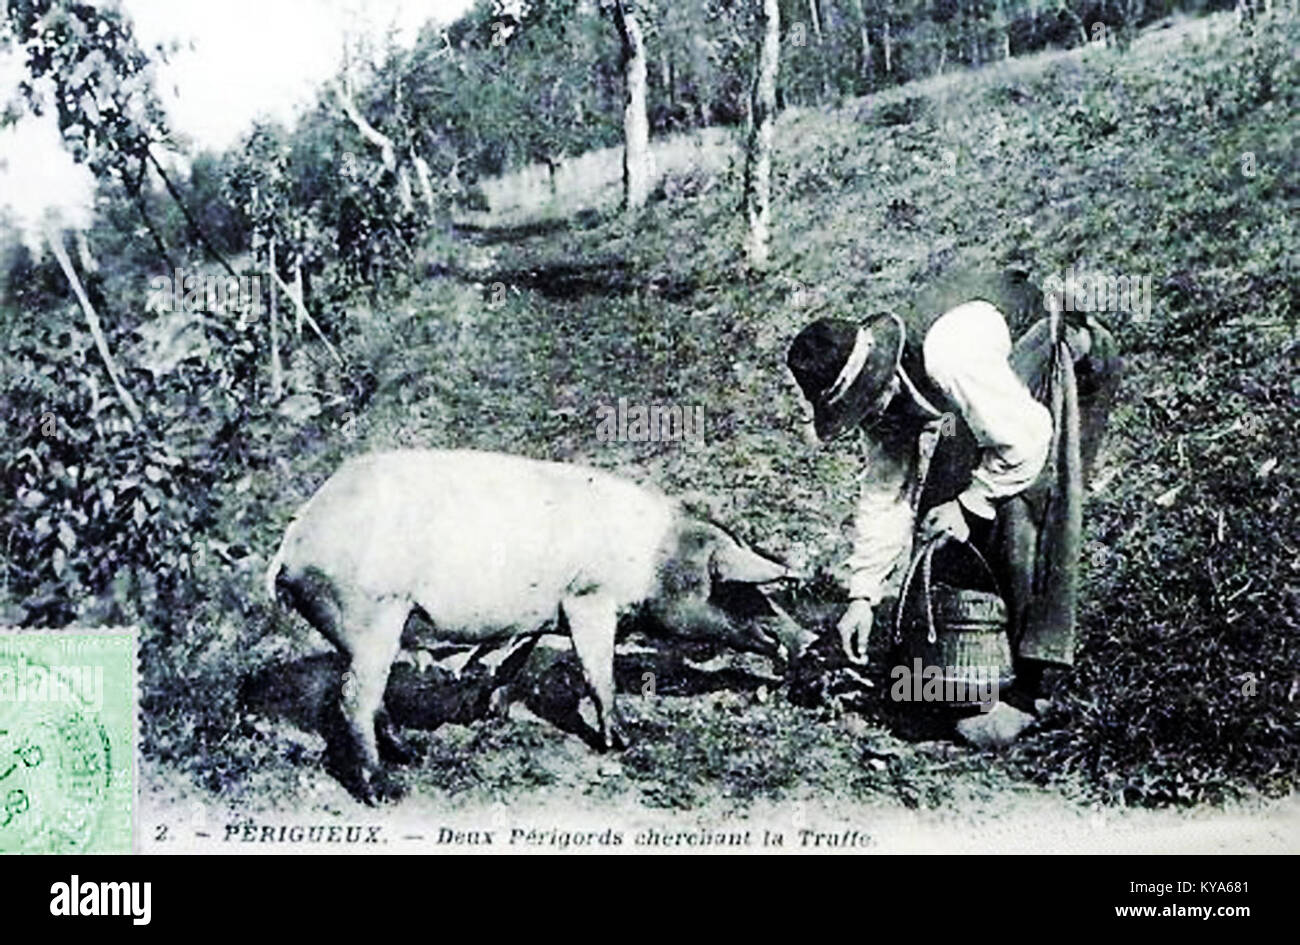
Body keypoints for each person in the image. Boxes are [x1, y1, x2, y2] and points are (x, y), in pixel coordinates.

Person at [786, 268, 1120, 744]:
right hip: (998, 396)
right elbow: (886, 490)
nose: (870, 419)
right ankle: (979, 661)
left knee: (1022, 504)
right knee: (942, 509)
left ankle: (1036, 689)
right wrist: (862, 595)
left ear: (882, 376)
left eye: (867, 404)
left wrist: (969, 504)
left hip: (1061, 353)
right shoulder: (884, 398)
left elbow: (1027, 441)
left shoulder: (949, 355)